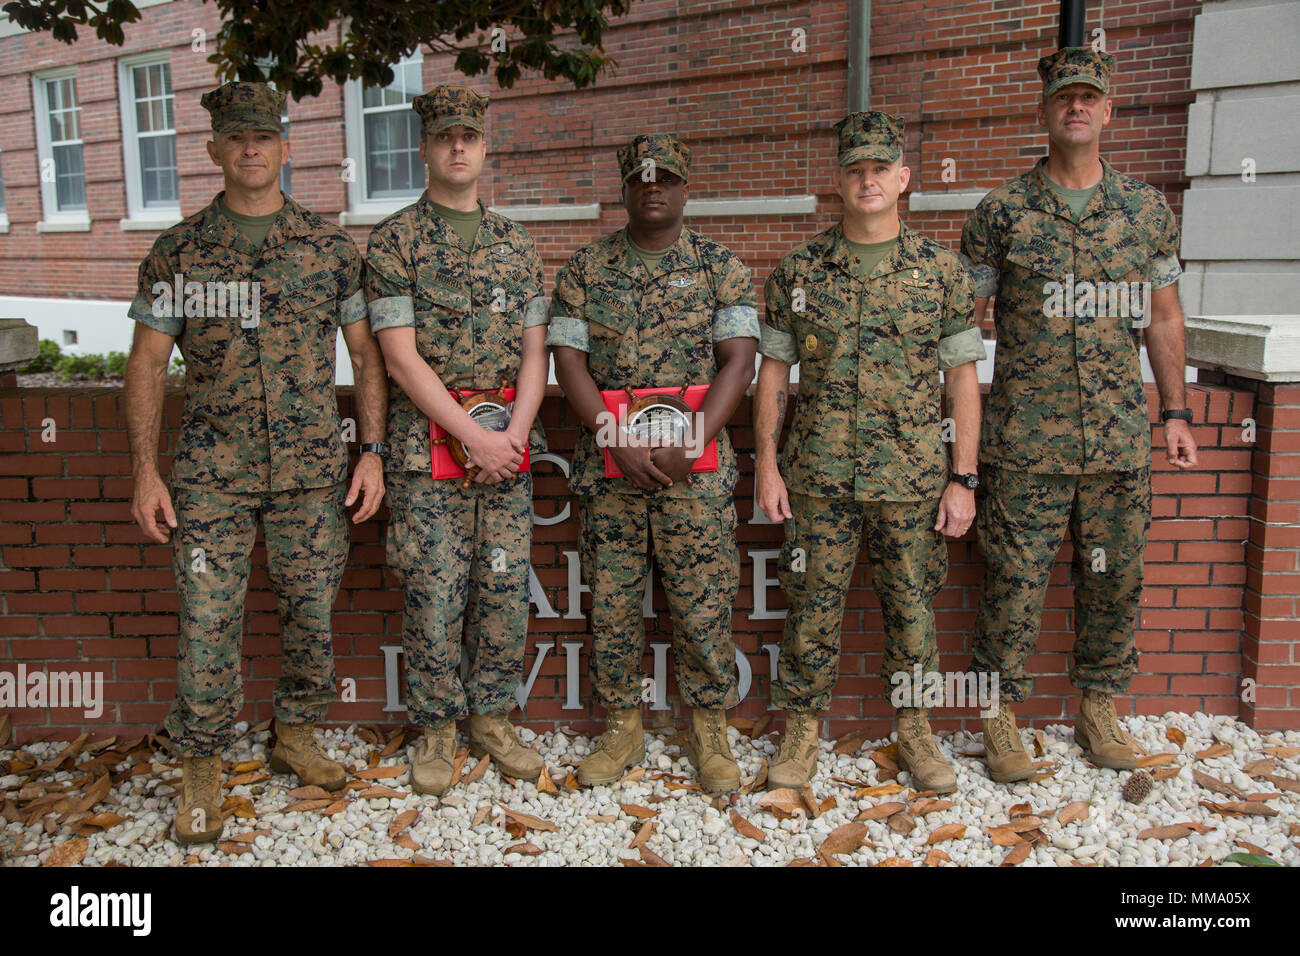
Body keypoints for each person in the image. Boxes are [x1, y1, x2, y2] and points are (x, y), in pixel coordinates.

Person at [125, 82, 389, 845]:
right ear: (213, 150)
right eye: (236, 137)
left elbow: (367, 355)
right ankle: (202, 767)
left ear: (284, 147)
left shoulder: (328, 247)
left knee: (310, 615)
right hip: (211, 477)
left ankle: (296, 733)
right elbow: (145, 364)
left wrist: (369, 452)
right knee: (208, 623)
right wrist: (146, 471)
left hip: (312, 474)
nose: (251, 148)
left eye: (264, 136)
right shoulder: (178, 252)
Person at [960, 47, 1198, 782]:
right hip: (1025, 441)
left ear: (1108, 111)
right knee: (1012, 579)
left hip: (1119, 438)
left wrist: (1177, 413)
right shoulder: (1001, 212)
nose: (1076, 107)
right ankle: (998, 717)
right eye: (1064, 97)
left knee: (1114, 579)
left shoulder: (1145, 210)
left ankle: (1097, 708)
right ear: (1044, 112)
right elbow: (963, 328)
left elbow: (1162, 317)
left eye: (1089, 97)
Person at [755, 111, 986, 793]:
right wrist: (766, 463)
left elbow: (962, 381)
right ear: (839, 180)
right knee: (809, 608)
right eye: (856, 168)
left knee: (915, 612)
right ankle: (800, 733)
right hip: (817, 477)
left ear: (903, 178)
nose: (868, 179)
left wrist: (963, 477)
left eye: (880, 168)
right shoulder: (799, 271)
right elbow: (773, 375)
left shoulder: (941, 273)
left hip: (913, 479)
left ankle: (915, 732)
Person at [547, 134, 758, 793]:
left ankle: (710, 730)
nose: (653, 187)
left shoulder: (722, 268)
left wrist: (694, 436)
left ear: (685, 186)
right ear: (625, 189)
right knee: (611, 603)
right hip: (613, 467)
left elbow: (740, 360)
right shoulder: (583, 271)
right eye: (640, 179)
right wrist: (613, 433)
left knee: (701, 603)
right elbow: (568, 362)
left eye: (665, 177)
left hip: (692, 470)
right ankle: (622, 728)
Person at [365, 86, 548, 796]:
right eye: (445, 137)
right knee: (434, 594)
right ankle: (438, 728)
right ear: (425, 148)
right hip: (429, 456)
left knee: (503, 589)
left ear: (485, 145)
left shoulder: (517, 242)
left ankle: (493, 717)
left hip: (506, 457)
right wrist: (473, 436)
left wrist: (516, 437)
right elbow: (400, 357)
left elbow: (537, 351)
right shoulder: (395, 241)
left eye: (469, 135)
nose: (458, 147)